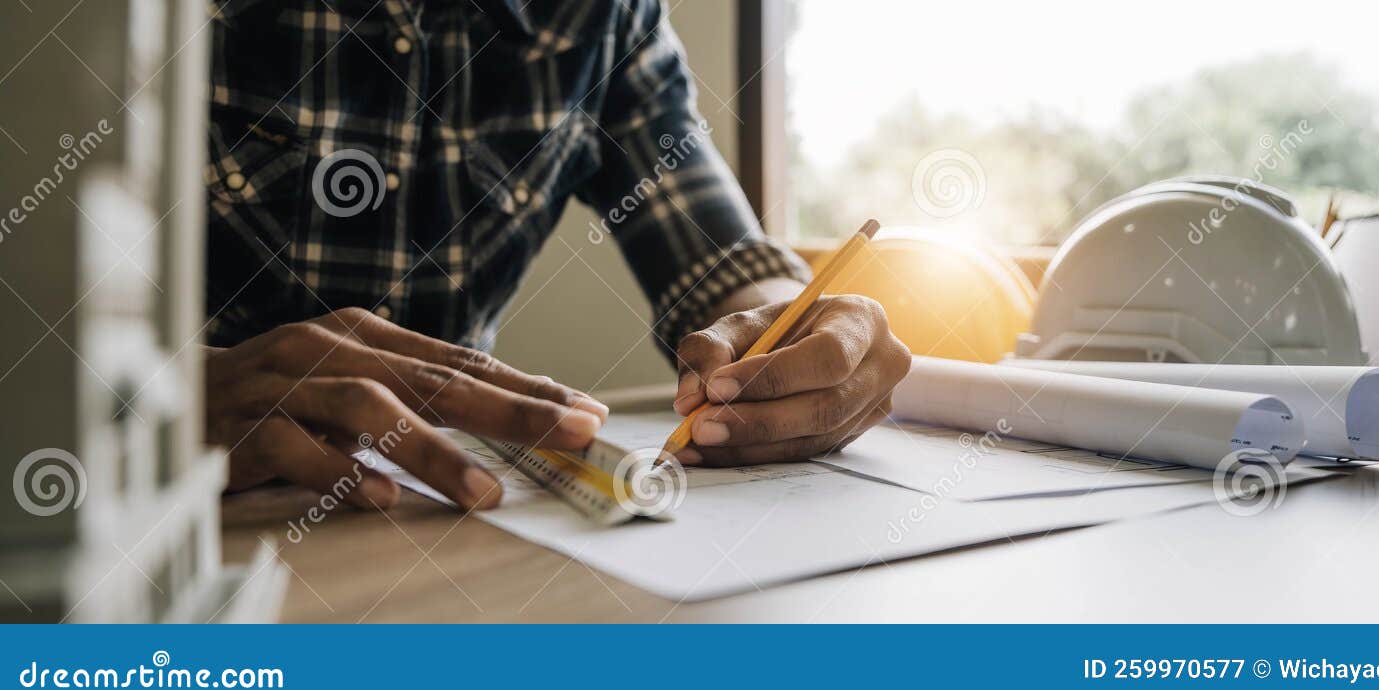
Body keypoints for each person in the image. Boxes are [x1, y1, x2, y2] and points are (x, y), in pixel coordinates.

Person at [203, 0, 910, 511]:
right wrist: (170, 401)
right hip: (187, 516)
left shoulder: (606, 17)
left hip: (451, 517)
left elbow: (718, 261)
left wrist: (791, 332)